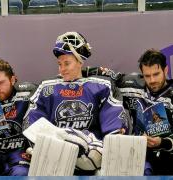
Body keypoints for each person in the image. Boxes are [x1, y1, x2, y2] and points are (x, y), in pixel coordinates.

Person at [23, 31, 128, 174]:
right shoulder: (46, 88)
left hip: (92, 153)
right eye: (59, 64)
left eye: (67, 63)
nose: (62, 69)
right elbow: (33, 123)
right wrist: (41, 145)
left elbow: (113, 125)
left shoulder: (102, 86)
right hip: (57, 155)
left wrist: (105, 146)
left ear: (80, 61)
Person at [84, 49, 173, 175]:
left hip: (167, 156)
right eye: (147, 75)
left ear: (166, 70)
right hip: (136, 153)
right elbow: (106, 74)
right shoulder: (132, 85)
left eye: (156, 74)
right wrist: (79, 71)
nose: (152, 80)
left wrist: (162, 142)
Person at [0, 59, 37, 175]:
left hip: (19, 152)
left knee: (21, 174)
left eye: (1, 82)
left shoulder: (30, 92)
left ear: (12, 80)